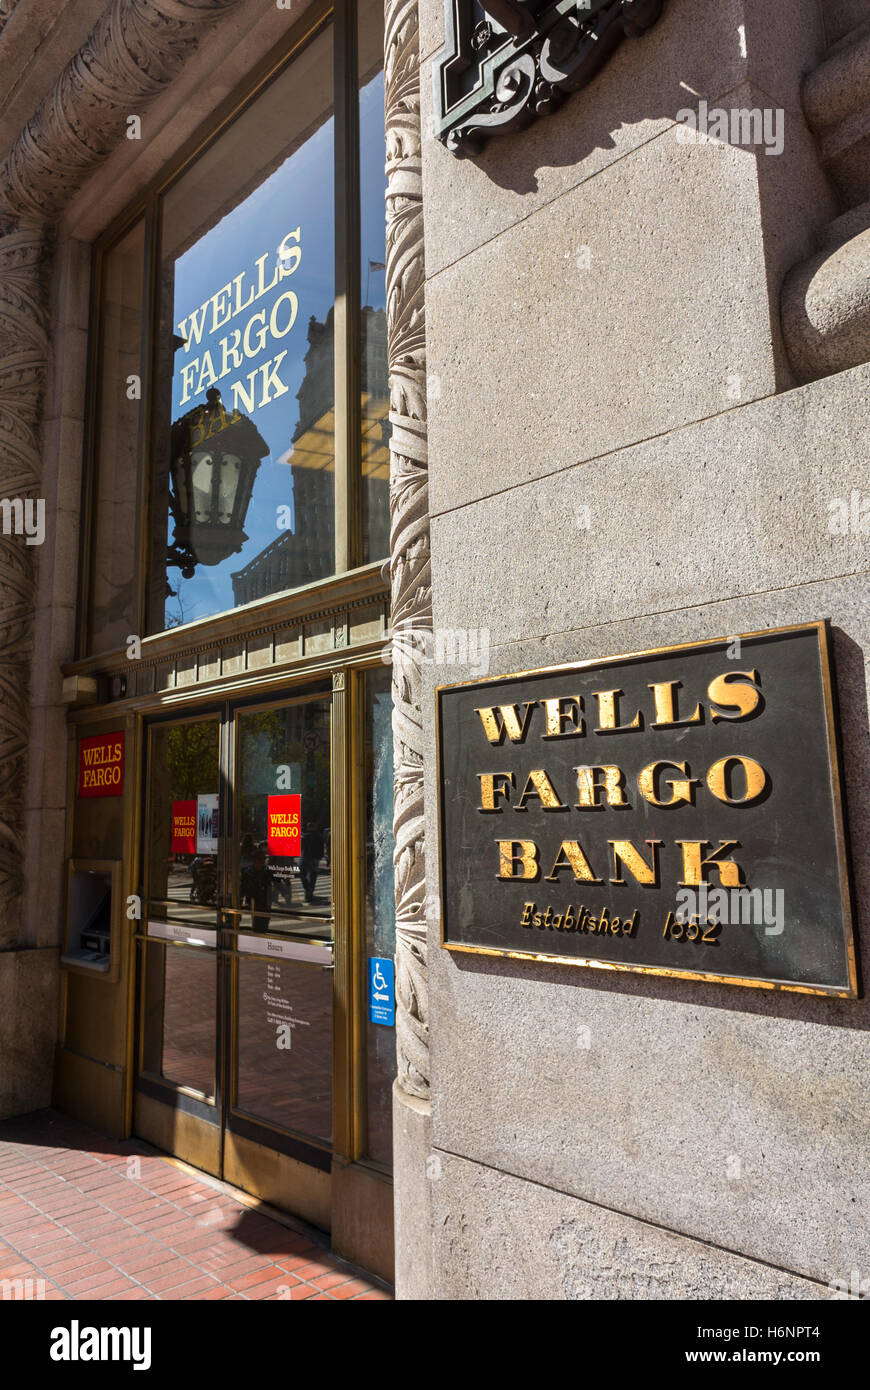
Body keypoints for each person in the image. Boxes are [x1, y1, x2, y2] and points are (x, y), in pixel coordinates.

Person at [240, 849, 274, 931]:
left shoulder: (267, 871)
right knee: (256, 926)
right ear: (254, 860)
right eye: (260, 859)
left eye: (263, 859)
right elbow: (243, 888)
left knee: (264, 925)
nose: (262, 861)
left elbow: (275, 883)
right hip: (253, 902)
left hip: (266, 902)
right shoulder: (247, 872)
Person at [300, 822, 324, 904]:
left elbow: (301, 847)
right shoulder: (319, 836)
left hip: (306, 858)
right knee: (312, 876)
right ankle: (309, 892)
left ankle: (308, 892)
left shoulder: (305, 837)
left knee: (304, 875)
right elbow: (321, 848)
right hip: (313, 859)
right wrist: (319, 858)